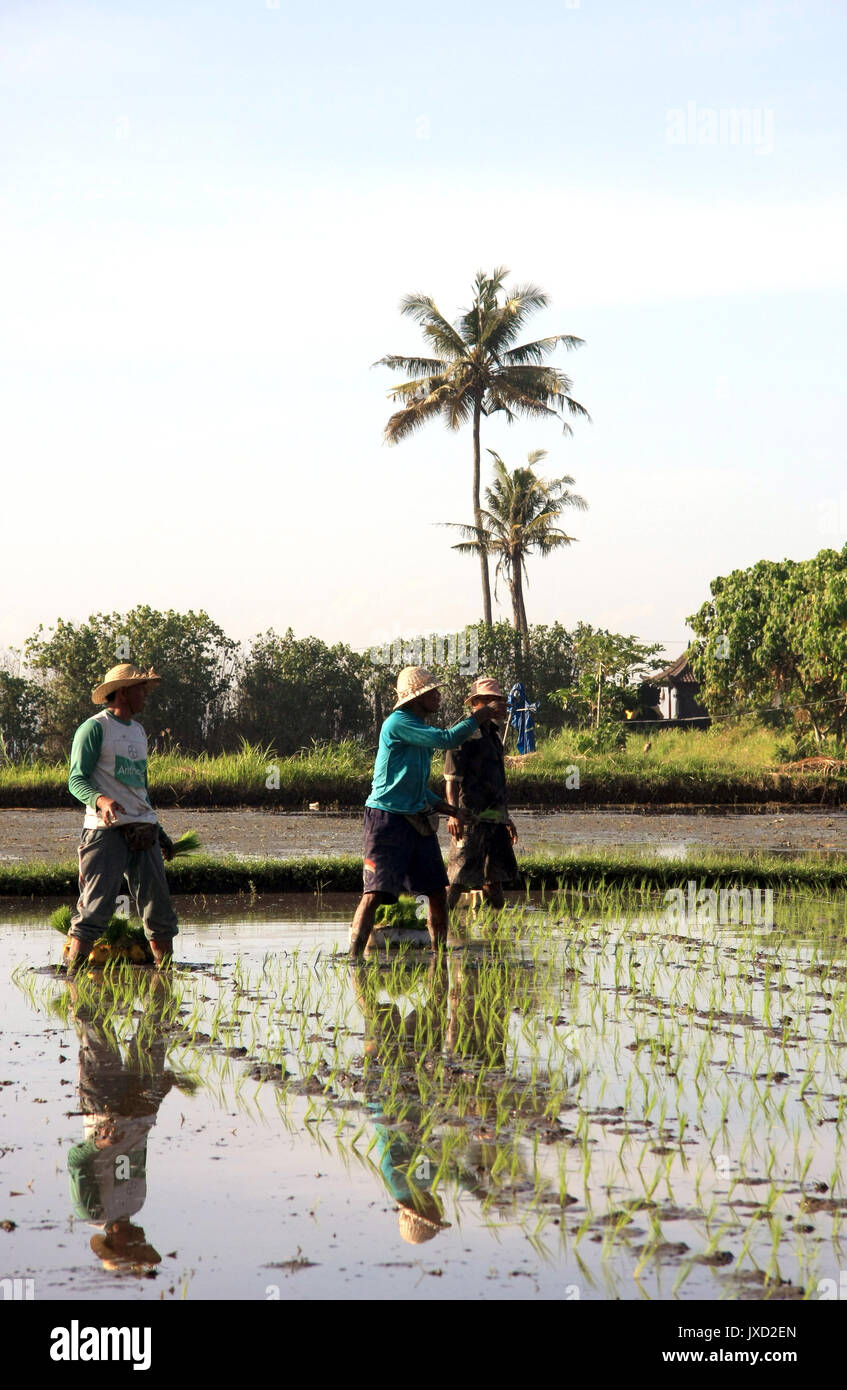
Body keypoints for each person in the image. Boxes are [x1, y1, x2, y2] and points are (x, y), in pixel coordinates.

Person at [348, 665, 501, 958]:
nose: (438, 697)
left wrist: (452, 810)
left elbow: (416, 789)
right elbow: (448, 739)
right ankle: (354, 958)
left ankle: (438, 956)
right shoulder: (398, 723)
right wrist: (479, 715)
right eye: (433, 692)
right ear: (416, 698)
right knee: (375, 894)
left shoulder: (418, 730)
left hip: (417, 820)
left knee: (436, 893)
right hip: (387, 819)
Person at [65, 663, 179, 972]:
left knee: (158, 910)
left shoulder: (139, 731)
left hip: (144, 830)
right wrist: (101, 801)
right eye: (141, 689)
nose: (146, 695)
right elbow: (76, 780)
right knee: (95, 909)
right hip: (105, 831)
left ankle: (165, 976)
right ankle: (72, 975)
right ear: (124, 692)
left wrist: (160, 830)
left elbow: (139, 788)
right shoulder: (95, 728)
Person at [444, 677, 518, 911]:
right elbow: (452, 780)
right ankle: (438, 926)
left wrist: (506, 818)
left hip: (494, 819)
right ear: (478, 703)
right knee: (457, 878)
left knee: (493, 879)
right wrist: (454, 814)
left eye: (499, 700)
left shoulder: (493, 735)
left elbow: (496, 782)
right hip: (470, 817)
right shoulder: (463, 734)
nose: (499, 706)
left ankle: (499, 933)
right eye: (492, 701)